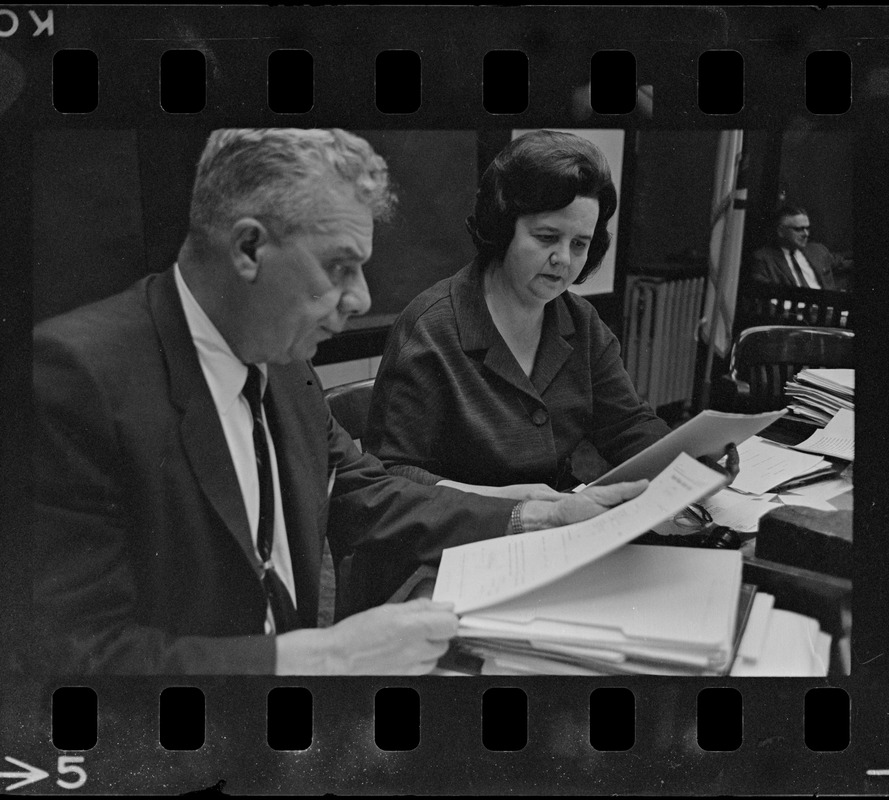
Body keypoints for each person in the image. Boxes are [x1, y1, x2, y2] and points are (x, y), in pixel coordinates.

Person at [32, 128, 651, 676]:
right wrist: (327, 657)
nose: (359, 300)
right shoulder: (75, 378)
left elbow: (364, 493)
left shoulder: (283, 359)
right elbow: (71, 658)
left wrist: (542, 516)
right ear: (248, 249)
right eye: (340, 267)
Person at [363, 129, 674, 498]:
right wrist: (511, 505)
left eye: (579, 244)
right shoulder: (431, 328)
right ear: (502, 226)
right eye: (546, 237)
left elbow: (628, 425)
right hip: (457, 538)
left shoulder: (582, 321)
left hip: (553, 532)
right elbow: (391, 474)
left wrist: (690, 459)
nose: (563, 259)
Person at [751, 202, 853, 291]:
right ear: (781, 231)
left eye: (807, 228)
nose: (806, 234)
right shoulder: (763, 259)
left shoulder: (818, 250)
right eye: (799, 229)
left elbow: (844, 264)